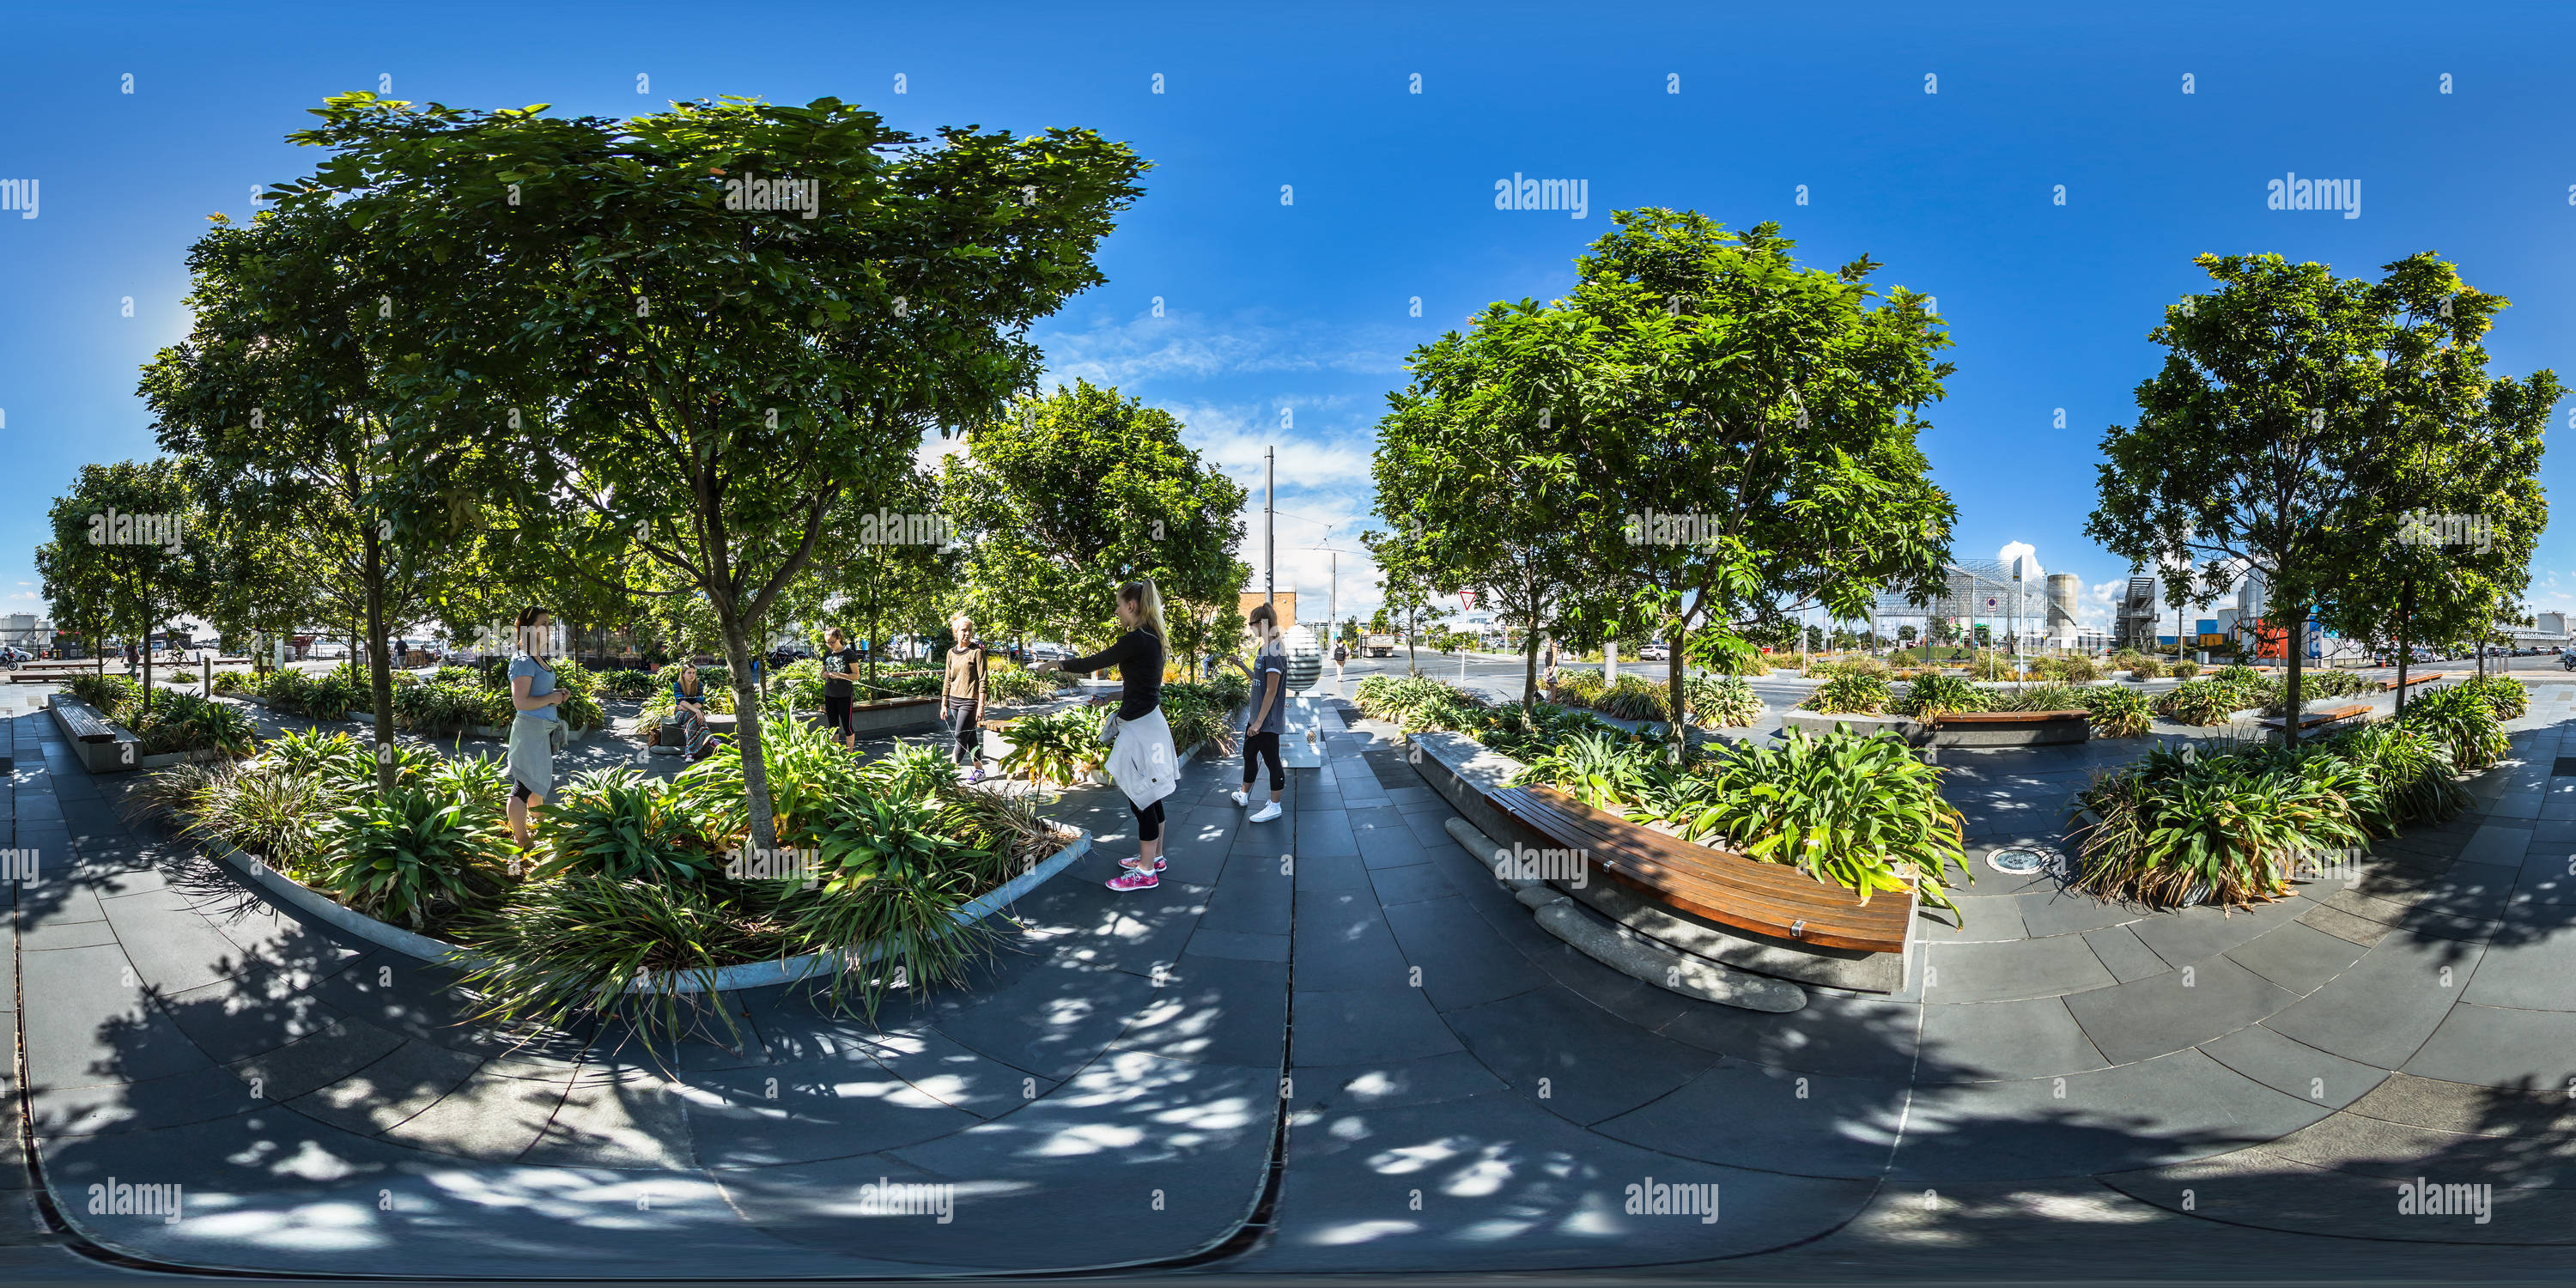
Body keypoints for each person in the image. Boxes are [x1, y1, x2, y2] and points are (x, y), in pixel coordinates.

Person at [1037, 579, 1179, 892]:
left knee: (1141, 800)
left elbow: (1094, 662)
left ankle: (1145, 873)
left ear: (1131, 606)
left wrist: (1053, 663)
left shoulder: (1136, 638)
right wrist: (1109, 698)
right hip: (1149, 723)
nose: (1117, 611)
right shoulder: (1151, 638)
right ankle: (1155, 858)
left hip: (1141, 731)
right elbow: (1140, 687)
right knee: (1151, 796)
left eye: (1119, 605)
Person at [505, 606, 570, 852]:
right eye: (543, 623)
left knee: (535, 781)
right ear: (528, 628)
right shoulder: (522, 658)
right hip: (530, 731)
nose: (548, 628)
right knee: (522, 787)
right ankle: (522, 841)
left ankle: (540, 823)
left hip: (540, 731)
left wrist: (558, 695)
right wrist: (552, 698)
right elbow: (520, 702)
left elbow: (539, 694)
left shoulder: (537, 657)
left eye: (549, 623)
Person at [1232, 603, 1289, 823]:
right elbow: (1258, 680)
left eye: (1252, 623)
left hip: (1266, 721)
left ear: (1263, 623)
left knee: (1272, 760)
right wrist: (1241, 666)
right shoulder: (1264, 649)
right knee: (1248, 755)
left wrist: (1258, 724)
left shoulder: (1274, 650)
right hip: (1256, 718)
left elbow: (1272, 690)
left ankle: (1275, 806)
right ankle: (1243, 794)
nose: (1250, 627)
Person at [941, 613, 988, 782]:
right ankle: (980, 771)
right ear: (956, 632)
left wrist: (981, 705)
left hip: (970, 701)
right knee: (971, 736)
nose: (967, 633)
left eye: (970, 630)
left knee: (960, 737)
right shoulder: (950, 653)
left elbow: (983, 680)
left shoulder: (977, 652)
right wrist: (944, 704)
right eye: (963, 630)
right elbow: (947, 679)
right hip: (954, 701)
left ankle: (948, 775)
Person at [820, 627, 864, 749]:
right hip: (829, 694)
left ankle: (849, 756)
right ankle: (835, 755)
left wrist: (840, 675)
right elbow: (822, 673)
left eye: (832, 642)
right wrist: (824, 675)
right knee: (833, 726)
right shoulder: (827, 654)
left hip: (844, 695)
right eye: (827, 642)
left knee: (847, 726)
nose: (829, 645)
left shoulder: (849, 653)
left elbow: (856, 676)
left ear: (839, 638)